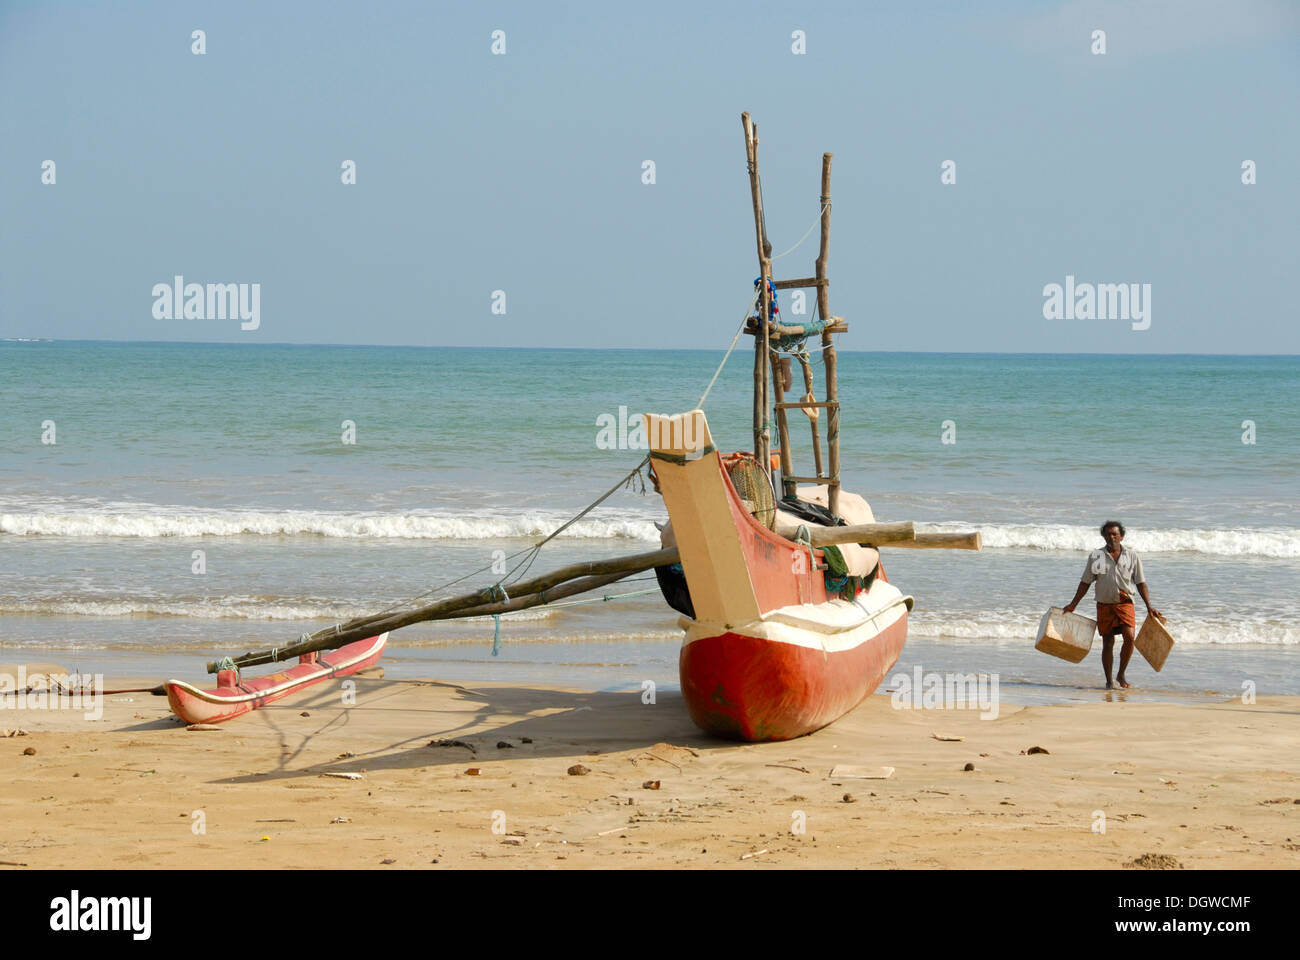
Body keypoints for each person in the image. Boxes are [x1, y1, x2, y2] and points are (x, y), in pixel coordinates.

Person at [1063, 521, 1162, 689]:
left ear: (1121, 536)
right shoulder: (1097, 556)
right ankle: (1109, 680)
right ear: (1103, 536)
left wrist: (1149, 606)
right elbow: (1085, 582)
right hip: (1105, 605)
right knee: (1108, 643)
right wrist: (1073, 604)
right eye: (1108, 534)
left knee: (1130, 637)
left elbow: (1141, 583)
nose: (1111, 537)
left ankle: (1121, 674)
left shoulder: (1131, 556)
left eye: (1115, 534)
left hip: (1125, 603)